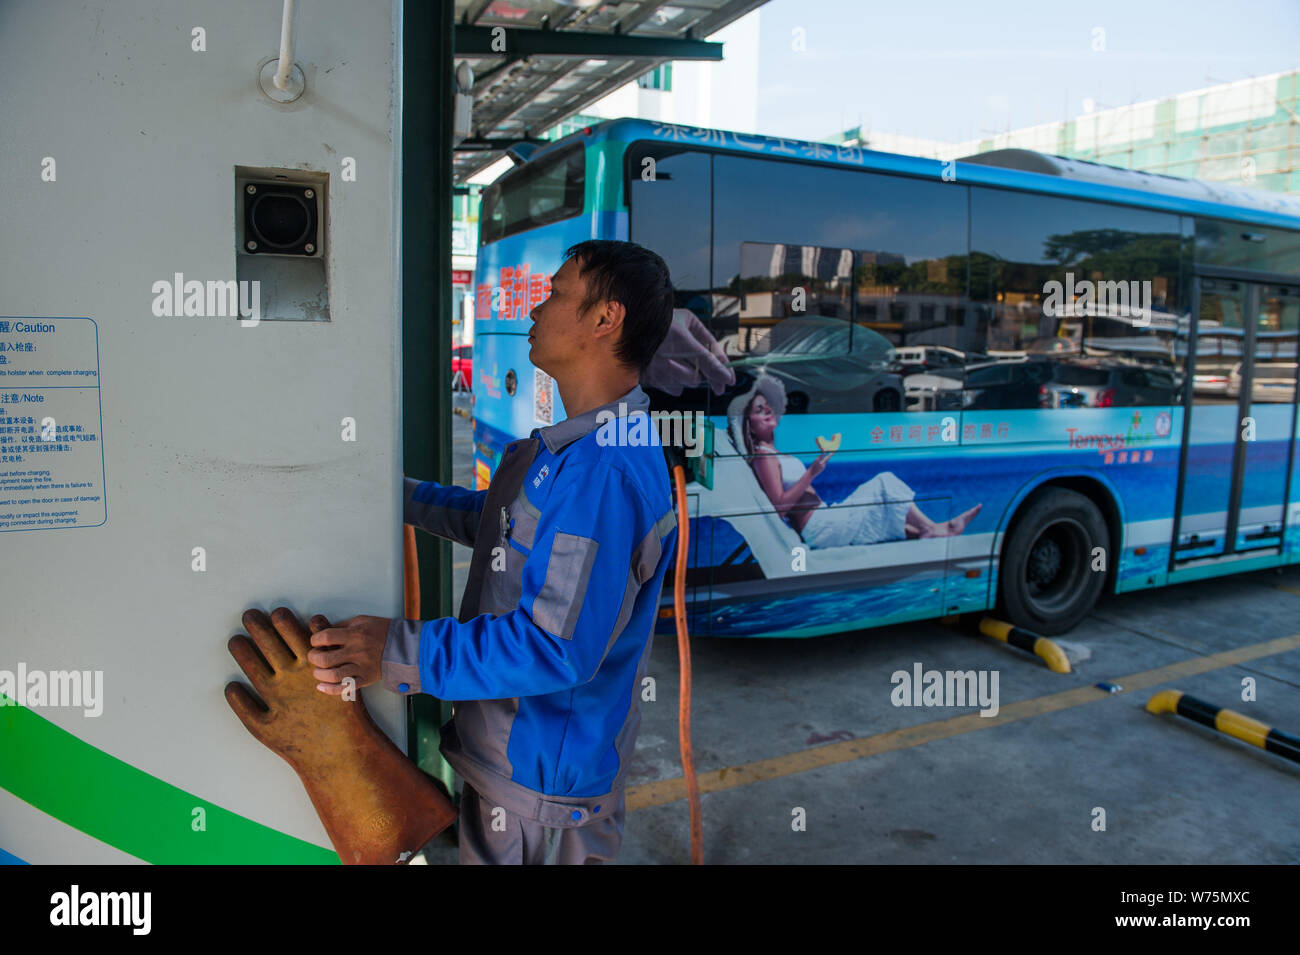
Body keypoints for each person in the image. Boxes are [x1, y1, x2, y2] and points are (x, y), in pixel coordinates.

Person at [306, 240, 679, 864]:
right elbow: (502, 527)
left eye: (557, 293)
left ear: (604, 319)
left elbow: (553, 645)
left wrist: (396, 652)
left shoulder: (601, 472)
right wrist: (388, 497)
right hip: (518, 765)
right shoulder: (581, 449)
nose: (536, 309)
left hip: (540, 787)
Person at [727, 373, 981, 549]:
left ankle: (929, 532)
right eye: (759, 411)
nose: (768, 411)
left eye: (767, 406)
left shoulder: (773, 452)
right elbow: (779, 508)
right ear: (749, 426)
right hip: (819, 528)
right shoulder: (763, 456)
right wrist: (812, 473)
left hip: (824, 520)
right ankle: (932, 528)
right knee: (884, 482)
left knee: (881, 511)